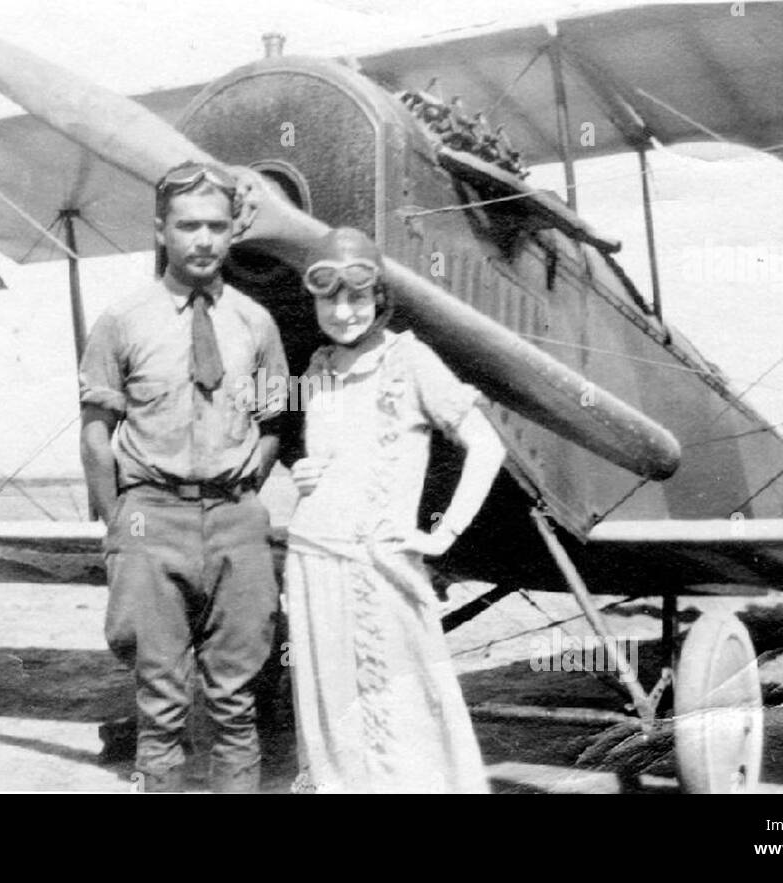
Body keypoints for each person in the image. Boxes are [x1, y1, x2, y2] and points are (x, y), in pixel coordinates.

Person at [78, 161, 289, 793]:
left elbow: (276, 419)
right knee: (160, 705)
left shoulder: (256, 322)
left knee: (237, 701)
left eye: (216, 227)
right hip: (151, 517)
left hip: (235, 520)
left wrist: (254, 473)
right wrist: (120, 522)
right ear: (161, 230)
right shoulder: (123, 319)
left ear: (232, 234)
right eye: (188, 225)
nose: (203, 240)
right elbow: (95, 431)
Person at [285, 227, 506, 793]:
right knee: (334, 721)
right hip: (312, 562)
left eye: (357, 296)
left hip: (379, 568)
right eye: (328, 298)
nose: (343, 311)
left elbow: (487, 445)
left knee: (406, 717)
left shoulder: (410, 359)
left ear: (379, 298)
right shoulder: (317, 366)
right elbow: (332, 459)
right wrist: (303, 473)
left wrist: (442, 535)